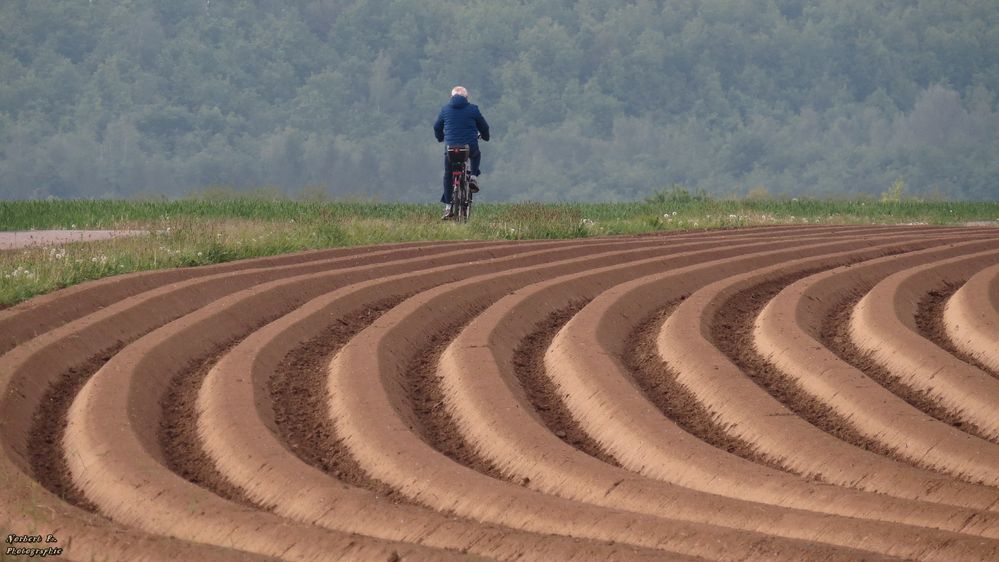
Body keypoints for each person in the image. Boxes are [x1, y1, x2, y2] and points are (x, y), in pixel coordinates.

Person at [434, 86, 490, 219]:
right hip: (468, 147)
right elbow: (484, 127)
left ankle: (448, 207)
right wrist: (485, 136)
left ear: (451, 97)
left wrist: (441, 138)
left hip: (450, 149)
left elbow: (436, 127)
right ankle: (473, 178)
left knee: (448, 175)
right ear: (466, 97)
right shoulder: (473, 109)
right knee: (475, 155)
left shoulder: (445, 109)